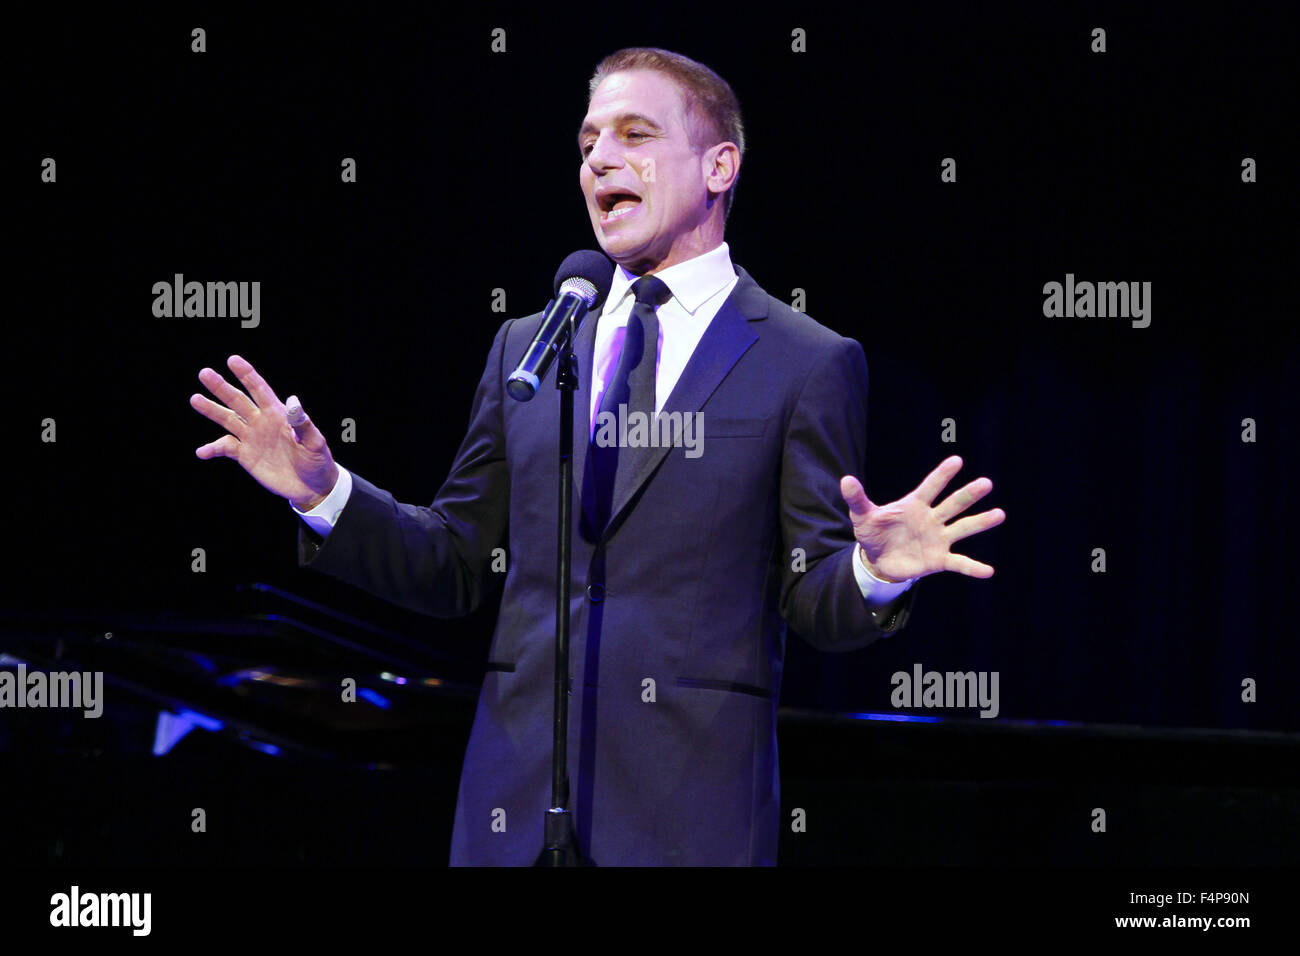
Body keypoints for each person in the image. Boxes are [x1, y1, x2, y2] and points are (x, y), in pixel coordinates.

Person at [189, 47, 1005, 865]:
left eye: (635, 135)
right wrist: (326, 493)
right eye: (587, 145)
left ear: (720, 165)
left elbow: (811, 595)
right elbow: (453, 563)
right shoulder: (532, 345)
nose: (600, 161)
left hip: (688, 823)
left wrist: (875, 572)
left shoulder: (804, 361)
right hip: (510, 815)